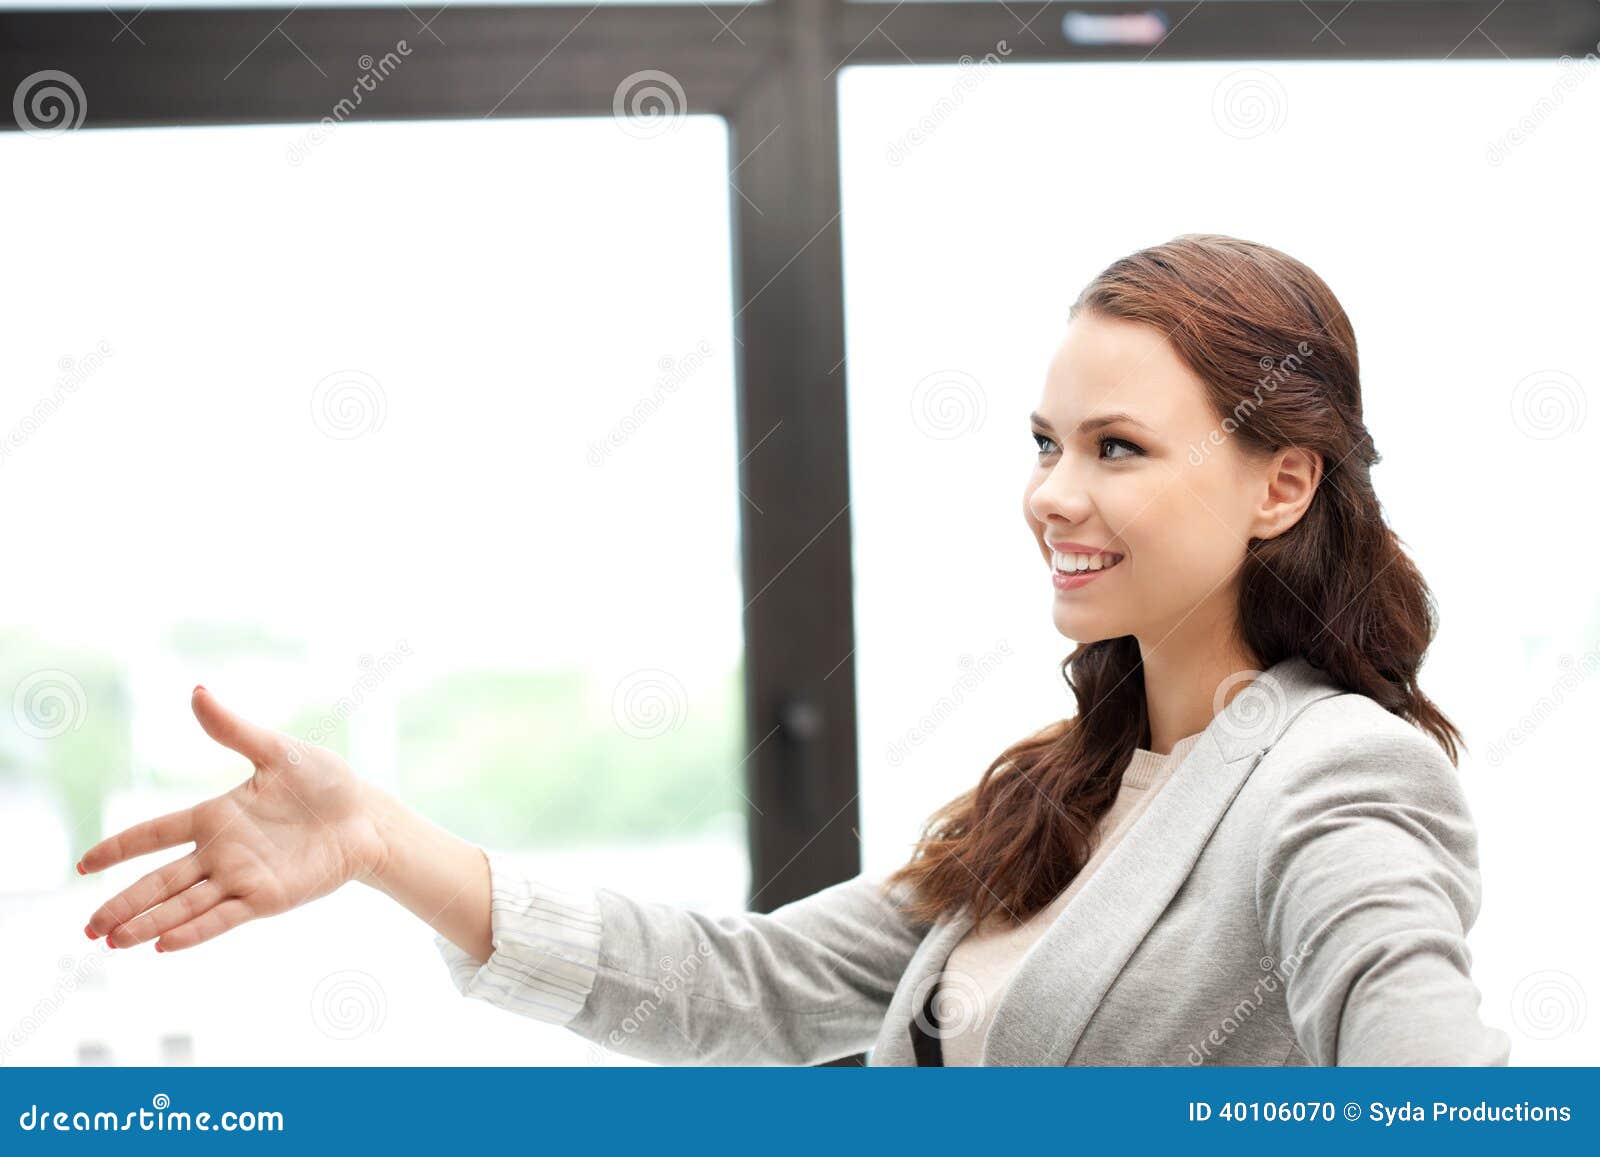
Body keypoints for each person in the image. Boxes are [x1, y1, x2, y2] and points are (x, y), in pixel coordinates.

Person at [77, 233, 1510, 1066]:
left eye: (1118, 448)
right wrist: (384, 846)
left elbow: (1434, 1085)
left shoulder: (1340, 778)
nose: (1052, 494)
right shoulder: (1068, 793)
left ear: (1283, 484)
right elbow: (745, 987)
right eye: (1045, 444)